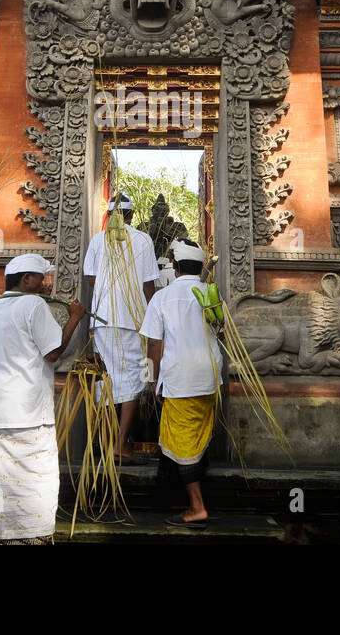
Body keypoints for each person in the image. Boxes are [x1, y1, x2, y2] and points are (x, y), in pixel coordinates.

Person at [0, 252, 85, 544]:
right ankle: (31, 537)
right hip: (28, 411)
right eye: (41, 278)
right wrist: (74, 318)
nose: (46, 284)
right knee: (35, 476)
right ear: (26, 280)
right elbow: (52, 352)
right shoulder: (33, 304)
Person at [141, 238, 222, 528]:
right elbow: (220, 334)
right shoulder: (212, 295)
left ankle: (197, 507)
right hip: (210, 376)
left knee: (182, 440)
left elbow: (153, 346)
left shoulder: (162, 298)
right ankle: (191, 495)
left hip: (179, 378)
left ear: (174, 265)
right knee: (198, 434)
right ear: (200, 266)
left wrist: (151, 380)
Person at [83, 194, 159, 462]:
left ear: (109, 214)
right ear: (132, 214)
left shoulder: (97, 239)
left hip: (102, 321)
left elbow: (91, 279)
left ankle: (104, 440)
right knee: (134, 379)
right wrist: (158, 317)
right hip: (132, 320)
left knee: (107, 377)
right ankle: (120, 443)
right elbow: (149, 286)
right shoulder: (142, 239)